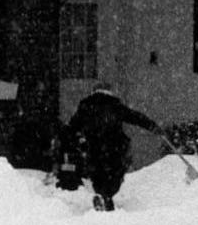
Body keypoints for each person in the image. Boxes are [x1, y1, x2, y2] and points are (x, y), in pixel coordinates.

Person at [65, 83, 160, 212]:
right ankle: (107, 197)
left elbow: (73, 126)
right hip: (114, 147)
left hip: (94, 147)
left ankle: (101, 195)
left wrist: (73, 140)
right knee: (113, 175)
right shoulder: (115, 105)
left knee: (97, 174)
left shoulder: (86, 106)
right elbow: (135, 117)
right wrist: (153, 127)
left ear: (94, 91)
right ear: (109, 91)